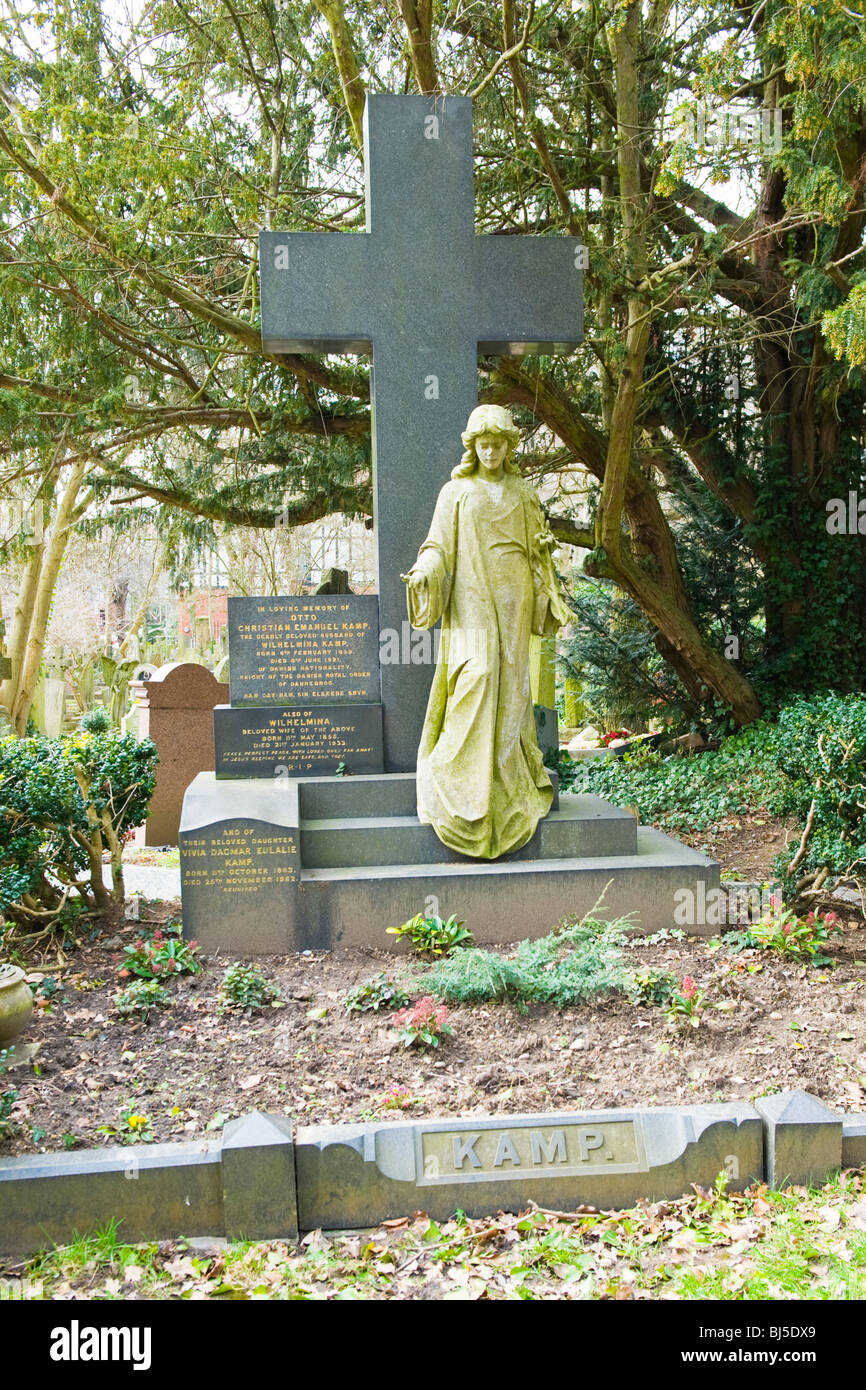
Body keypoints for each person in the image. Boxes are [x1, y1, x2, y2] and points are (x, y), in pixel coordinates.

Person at [401, 404, 570, 859]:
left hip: (513, 594)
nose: (491, 449)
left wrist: (545, 590)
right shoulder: (455, 493)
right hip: (471, 593)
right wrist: (424, 573)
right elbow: (437, 546)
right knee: (476, 676)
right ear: (472, 447)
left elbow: (538, 551)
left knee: (513, 685)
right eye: (483, 442)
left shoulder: (523, 491)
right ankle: (455, 778)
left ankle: (505, 774)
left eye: (498, 442)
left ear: (509, 446)